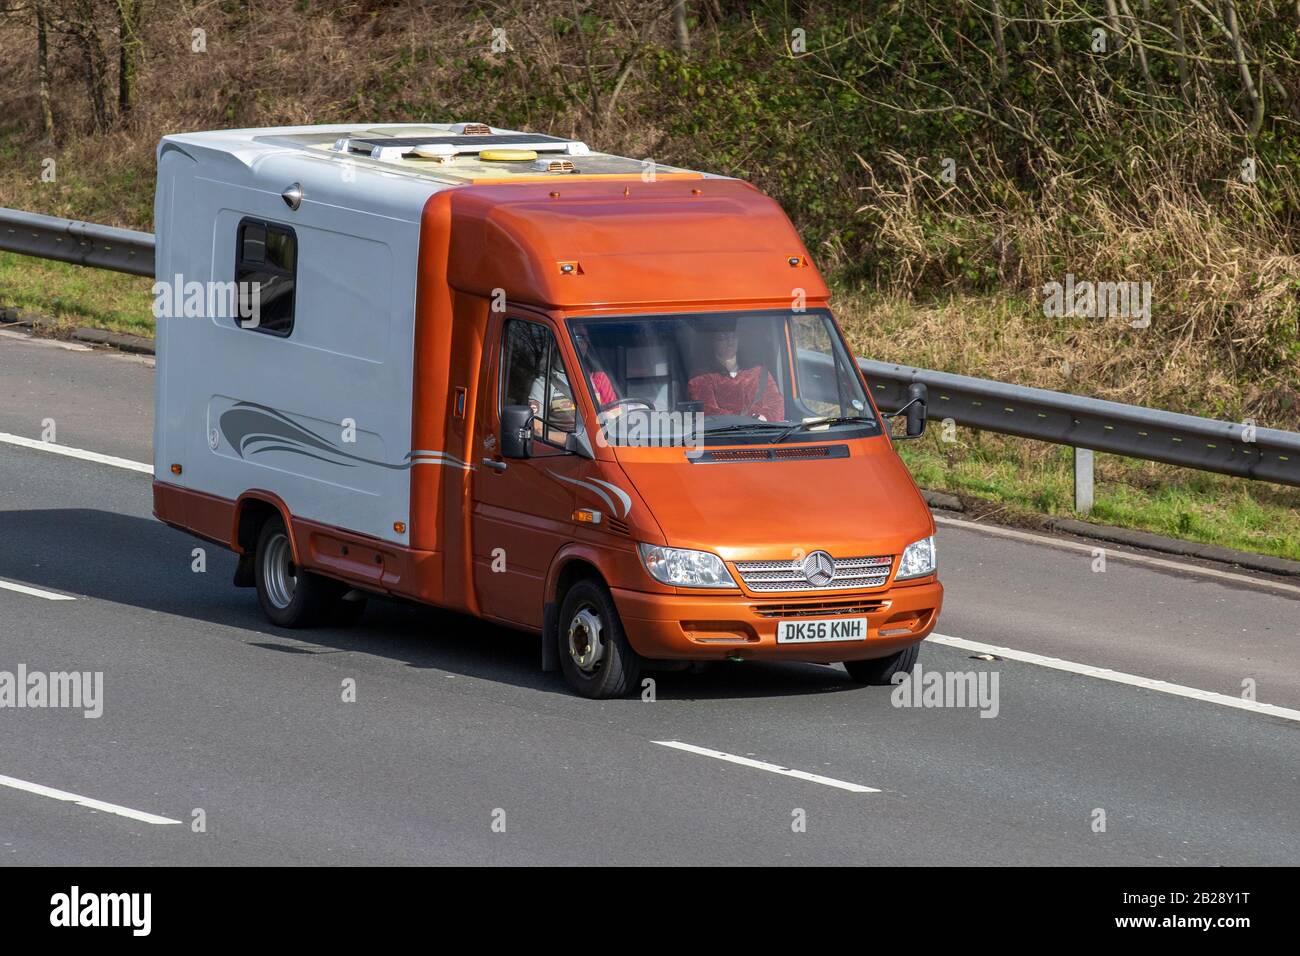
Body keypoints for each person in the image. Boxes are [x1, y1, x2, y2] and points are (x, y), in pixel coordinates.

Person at [688, 326, 784, 421]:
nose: (730, 342)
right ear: (712, 343)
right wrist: (749, 420)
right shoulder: (700, 378)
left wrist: (765, 417)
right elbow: (709, 412)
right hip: (724, 435)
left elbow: (776, 404)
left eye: (733, 336)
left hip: (764, 433)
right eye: (722, 338)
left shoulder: (758, 372)